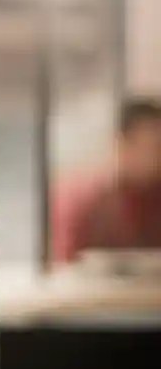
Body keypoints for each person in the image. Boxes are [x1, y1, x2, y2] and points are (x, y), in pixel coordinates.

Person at [52, 97, 161, 264]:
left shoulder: (155, 197)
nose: (154, 157)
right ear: (122, 144)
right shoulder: (85, 200)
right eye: (149, 146)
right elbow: (66, 266)